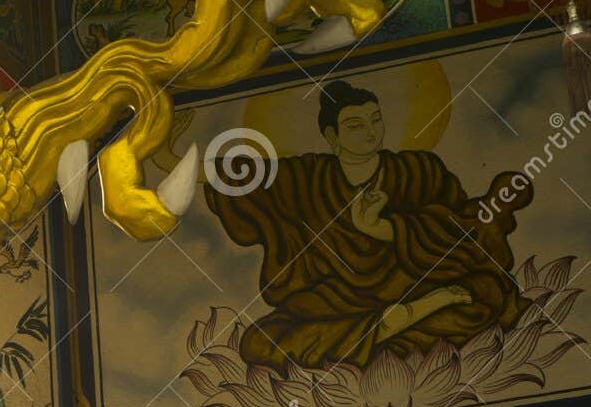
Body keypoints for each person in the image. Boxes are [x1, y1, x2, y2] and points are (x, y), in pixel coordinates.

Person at [203, 81, 531, 370]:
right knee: (261, 343)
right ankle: (409, 318)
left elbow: (457, 231)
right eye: (355, 125)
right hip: (340, 300)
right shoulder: (309, 177)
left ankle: (396, 323)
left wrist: (382, 229)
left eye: (376, 119)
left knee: (480, 302)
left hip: (411, 282)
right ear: (332, 136)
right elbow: (242, 180)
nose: (371, 131)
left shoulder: (417, 170)